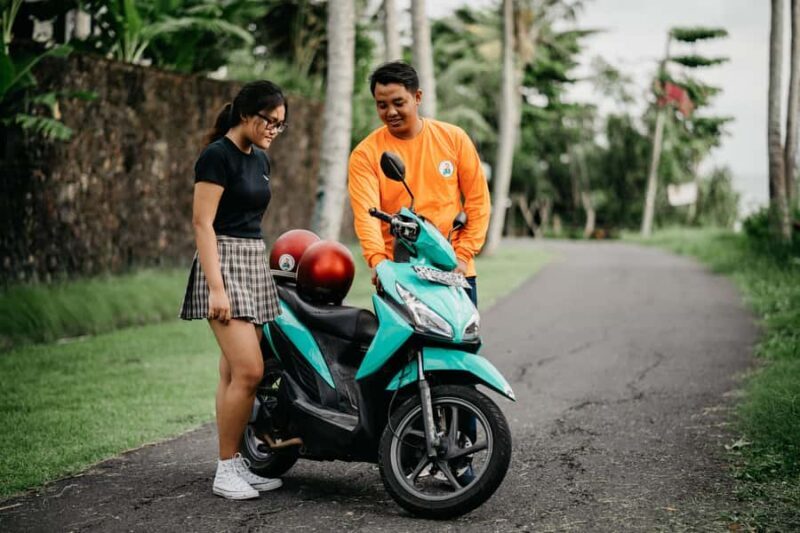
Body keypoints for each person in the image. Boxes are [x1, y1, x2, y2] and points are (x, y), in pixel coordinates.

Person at [179, 80, 288, 500]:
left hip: (251, 260)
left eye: (280, 125)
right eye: (269, 121)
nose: (273, 130)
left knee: (232, 372)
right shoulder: (216, 156)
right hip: (222, 262)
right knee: (250, 371)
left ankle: (235, 462)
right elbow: (201, 223)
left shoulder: (259, 159)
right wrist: (215, 288)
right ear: (247, 114)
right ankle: (225, 469)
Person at [348, 61, 491, 306]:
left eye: (398, 103)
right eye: (382, 105)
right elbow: (367, 215)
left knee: (461, 344)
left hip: (454, 268)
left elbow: (478, 201)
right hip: (398, 273)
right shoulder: (365, 154)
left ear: (418, 97)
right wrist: (378, 262)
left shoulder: (454, 139)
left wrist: (463, 256)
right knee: (406, 346)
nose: (390, 112)